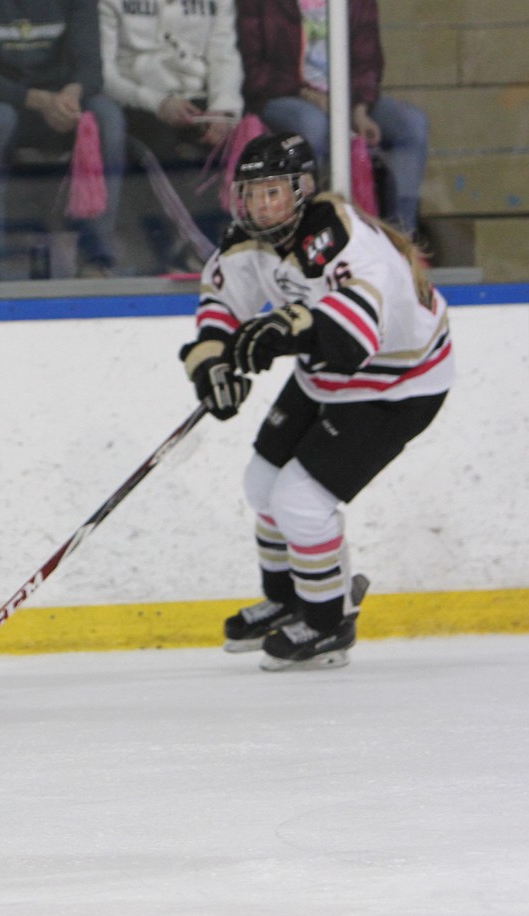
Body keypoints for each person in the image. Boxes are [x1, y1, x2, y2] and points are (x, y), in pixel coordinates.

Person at [179, 133, 451, 669]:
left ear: (303, 189)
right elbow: (218, 302)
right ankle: (288, 601)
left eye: (274, 191)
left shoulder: (346, 241)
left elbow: (351, 343)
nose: (261, 205)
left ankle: (328, 623)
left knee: (301, 502)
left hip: (396, 383)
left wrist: (284, 330)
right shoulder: (250, 241)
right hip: (324, 373)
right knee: (262, 484)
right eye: (251, 193)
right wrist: (212, 363)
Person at [0, 0, 127, 278]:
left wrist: (70, 95)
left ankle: (96, 258)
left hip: (60, 104)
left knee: (107, 116)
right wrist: (40, 100)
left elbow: (91, 68)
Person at [235, 0, 428, 238]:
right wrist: (307, 93)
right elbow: (251, 69)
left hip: (347, 98)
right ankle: (310, 232)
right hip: (282, 94)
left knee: (411, 125)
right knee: (314, 126)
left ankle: (400, 237)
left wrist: (360, 111)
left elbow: (367, 60)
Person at [96, 0, 241, 271]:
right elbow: (104, 74)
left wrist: (223, 110)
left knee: (235, 147)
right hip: (139, 101)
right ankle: (179, 253)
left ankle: (217, 252)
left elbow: (225, 55)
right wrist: (158, 102)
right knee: (160, 151)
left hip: (203, 101)